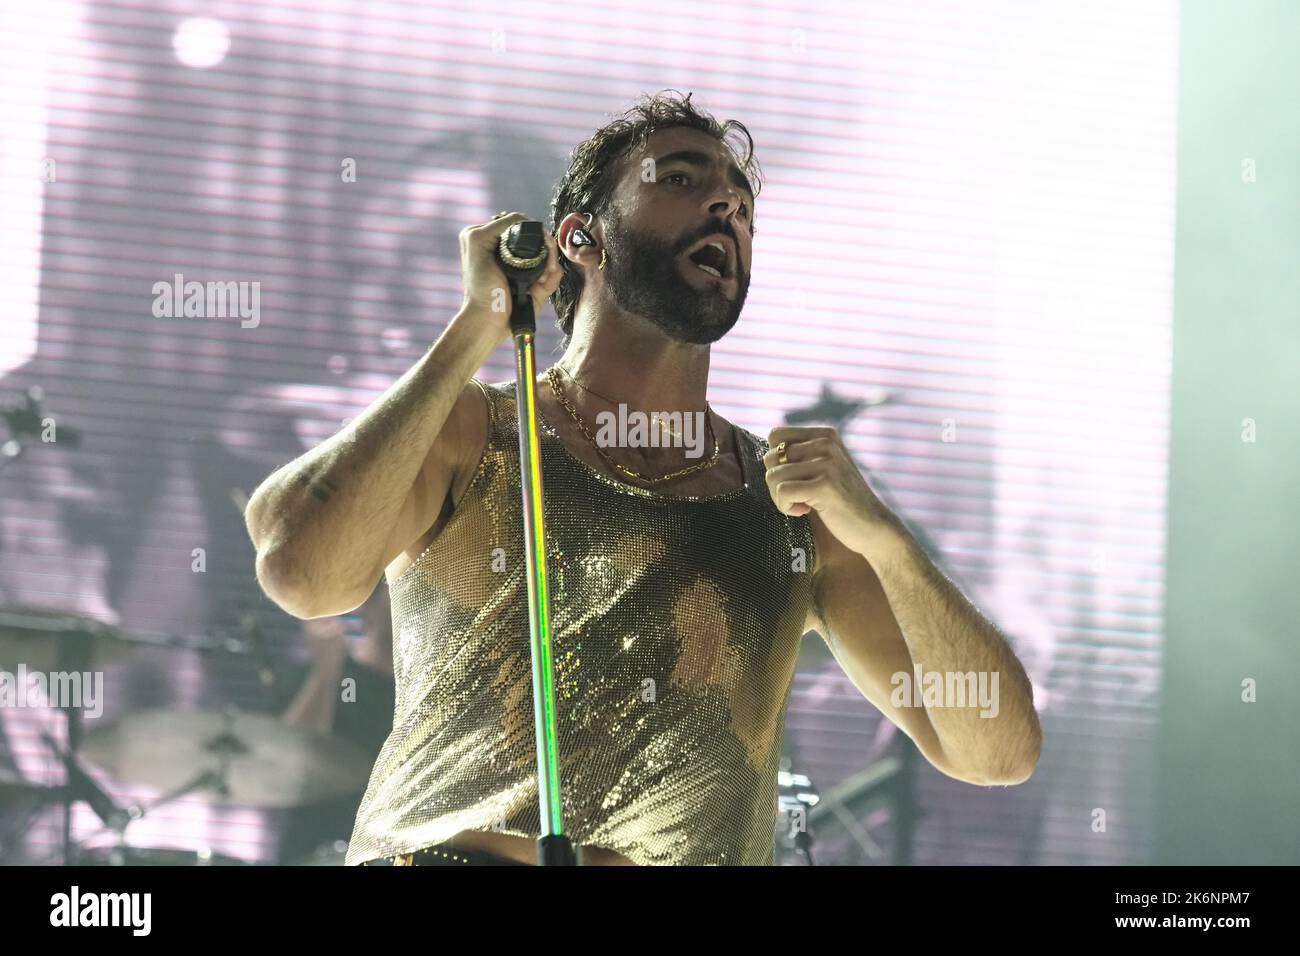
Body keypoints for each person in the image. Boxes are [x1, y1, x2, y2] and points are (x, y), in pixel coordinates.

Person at [244, 91, 1042, 867]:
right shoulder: (476, 429)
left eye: (740, 204)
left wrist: (887, 542)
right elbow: (300, 570)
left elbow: (998, 750)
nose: (726, 207)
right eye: (683, 180)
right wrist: (479, 324)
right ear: (580, 239)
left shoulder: (793, 509)